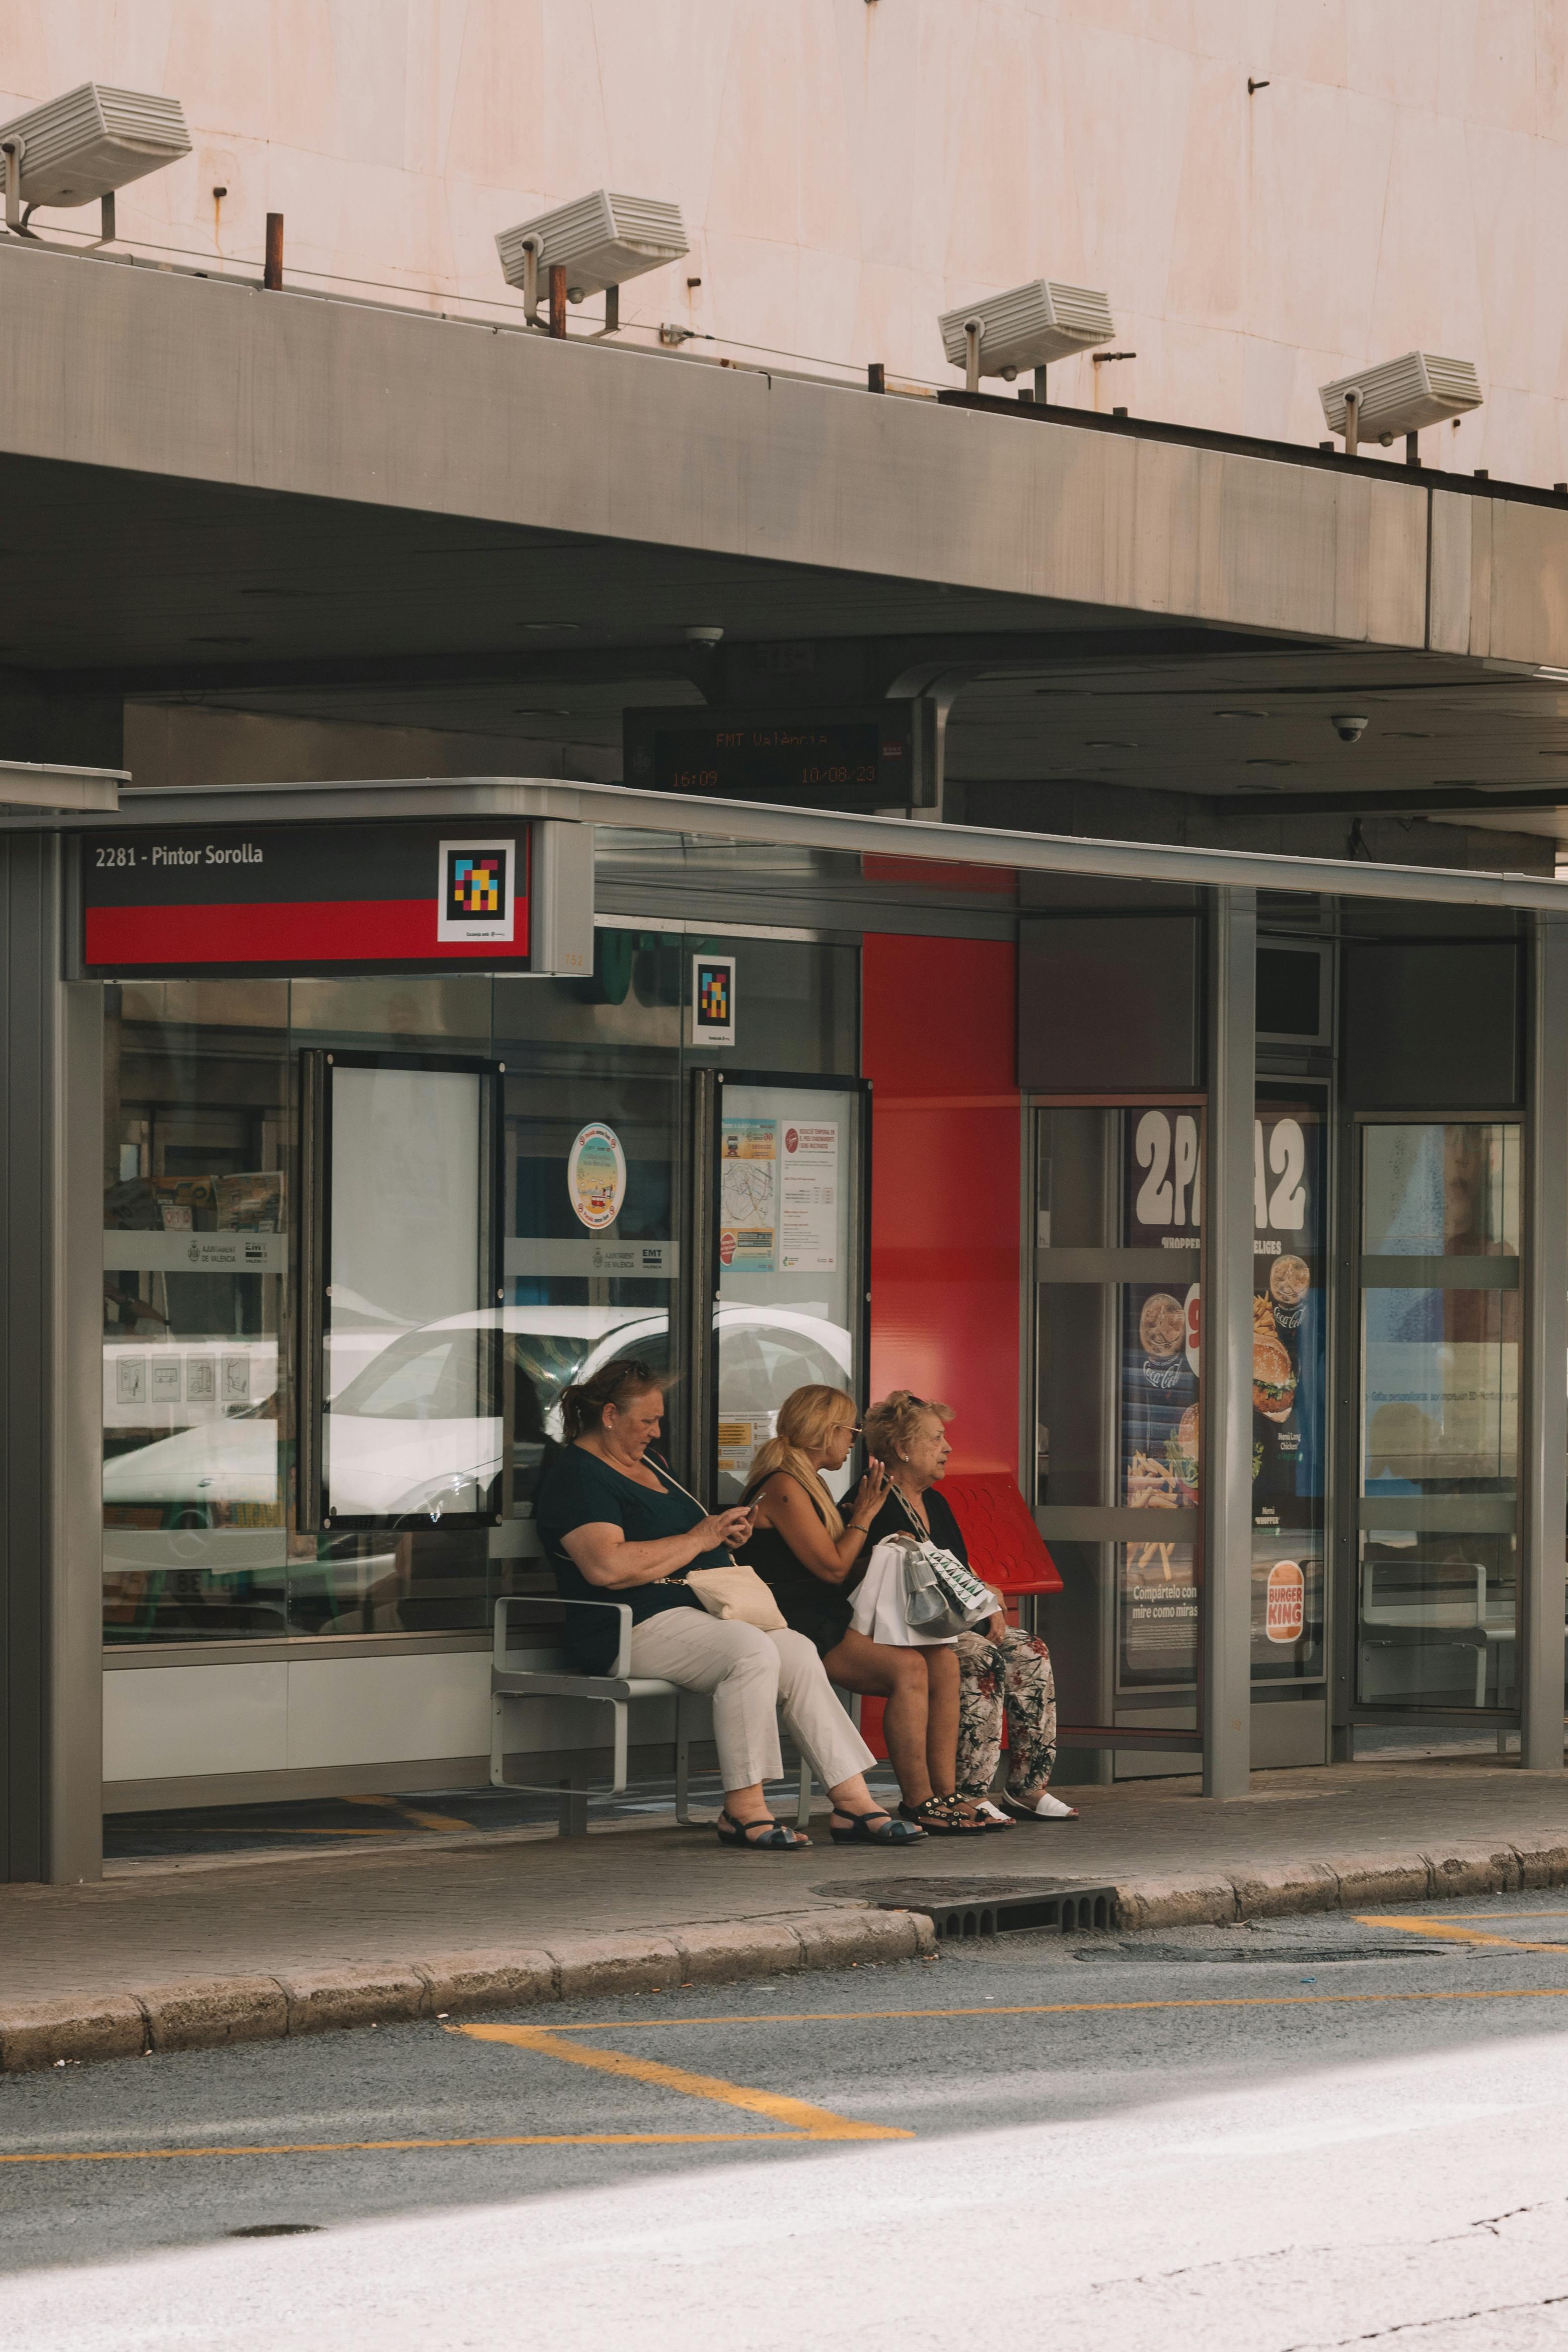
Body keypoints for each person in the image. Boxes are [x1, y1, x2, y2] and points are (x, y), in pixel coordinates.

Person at [534, 1359, 904, 1852]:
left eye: (658, 1420)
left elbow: (684, 1539)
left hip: (695, 1611)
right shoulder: (578, 1476)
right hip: (626, 1624)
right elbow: (607, 1567)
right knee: (749, 1650)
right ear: (609, 1415)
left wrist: (722, 1534)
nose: (656, 1431)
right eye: (647, 1420)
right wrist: (699, 1538)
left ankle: (852, 1801)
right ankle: (743, 1809)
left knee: (795, 1649)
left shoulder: (651, 1464)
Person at [740, 1385, 988, 1838]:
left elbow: (839, 1568)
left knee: (944, 1662)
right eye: (849, 1432)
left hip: (825, 1610)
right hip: (795, 1619)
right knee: (908, 1670)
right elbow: (832, 1569)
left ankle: (945, 1794)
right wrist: (865, 1517)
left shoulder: (810, 1482)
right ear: (825, 1431)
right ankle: (917, 1800)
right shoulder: (783, 1484)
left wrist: (888, 1550)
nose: (854, 1442)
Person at [863, 1390, 1077, 1823]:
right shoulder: (875, 1500)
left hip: (946, 1621)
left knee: (1029, 1650)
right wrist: (979, 1606)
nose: (947, 1448)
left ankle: (1027, 1786)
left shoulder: (934, 1501)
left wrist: (986, 1597)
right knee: (980, 1657)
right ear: (902, 1449)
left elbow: (957, 1570)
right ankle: (967, 1792)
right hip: (902, 1628)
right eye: (935, 1438)